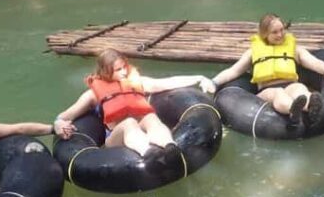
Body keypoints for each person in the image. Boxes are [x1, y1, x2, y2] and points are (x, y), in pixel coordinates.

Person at [54, 48, 215, 157]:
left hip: (143, 129)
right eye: (118, 70)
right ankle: (148, 153)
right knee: (129, 122)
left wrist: (199, 77)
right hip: (116, 138)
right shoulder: (92, 95)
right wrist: (58, 124)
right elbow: (65, 115)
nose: (124, 72)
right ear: (105, 72)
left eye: (124, 67)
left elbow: (167, 82)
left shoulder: (137, 82)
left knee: (150, 117)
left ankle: (170, 146)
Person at [210, 13, 324, 126]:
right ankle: (293, 110)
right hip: (267, 89)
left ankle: (311, 106)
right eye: (275, 32)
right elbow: (234, 71)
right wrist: (214, 82)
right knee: (278, 94)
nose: (280, 34)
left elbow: (312, 61)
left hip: (290, 84)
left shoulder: (294, 49)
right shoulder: (252, 52)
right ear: (265, 34)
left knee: (300, 89)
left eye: (282, 30)